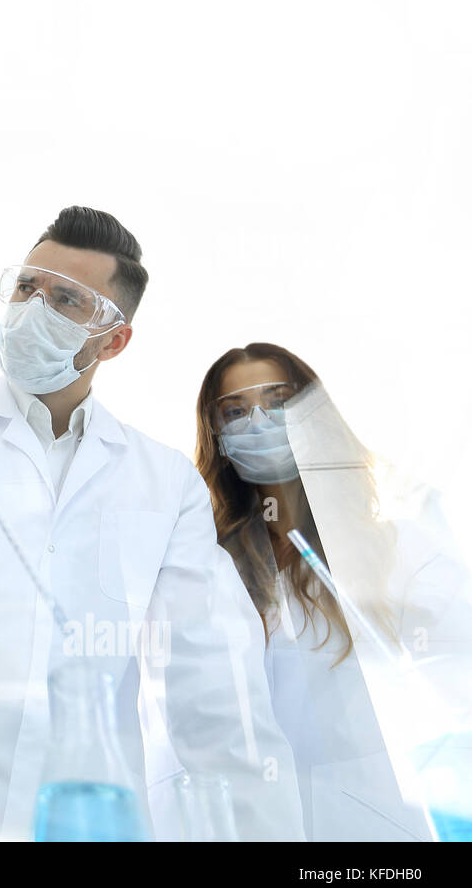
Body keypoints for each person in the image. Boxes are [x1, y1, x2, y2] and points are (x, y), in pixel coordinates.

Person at [0, 206, 307, 840]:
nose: (32, 310)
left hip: (83, 820)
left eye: (65, 299)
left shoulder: (165, 480)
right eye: (27, 288)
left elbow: (214, 691)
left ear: (114, 339)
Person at [195, 342, 472, 840]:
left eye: (278, 402)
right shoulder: (207, 567)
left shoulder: (402, 550)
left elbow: (458, 685)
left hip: (380, 828)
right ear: (216, 437)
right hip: (251, 822)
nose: (258, 422)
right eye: (235, 411)